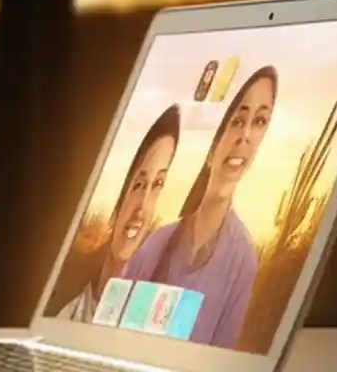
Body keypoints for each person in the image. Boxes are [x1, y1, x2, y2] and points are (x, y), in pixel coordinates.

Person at [121, 66, 279, 349]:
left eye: (259, 121)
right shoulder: (156, 244)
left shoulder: (242, 260)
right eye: (237, 120)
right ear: (212, 148)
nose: (245, 135)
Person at [44, 105, 181, 321]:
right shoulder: (63, 295)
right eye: (138, 184)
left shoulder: (155, 308)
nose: (142, 208)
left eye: (157, 184)